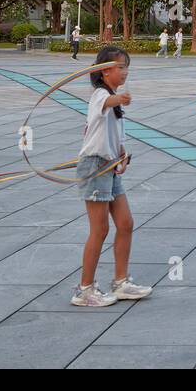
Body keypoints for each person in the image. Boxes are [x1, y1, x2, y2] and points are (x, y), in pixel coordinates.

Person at [71, 44, 152, 307]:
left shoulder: (114, 100)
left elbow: (112, 133)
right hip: (95, 167)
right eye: (121, 67)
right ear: (104, 71)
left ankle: (120, 281)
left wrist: (121, 153)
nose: (125, 72)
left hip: (109, 167)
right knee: (100, 229)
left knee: (126, 223)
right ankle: (84, 289)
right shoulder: (100, 95)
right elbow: (104, 103)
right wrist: (119, 98)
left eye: (126, 67)